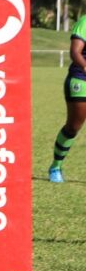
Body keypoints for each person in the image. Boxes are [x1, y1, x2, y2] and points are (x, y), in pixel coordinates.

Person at [47, 15, 86, 183]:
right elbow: (75, 52)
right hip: (81, 80)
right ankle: (55, 166)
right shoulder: (85, 22)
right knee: (73, 127)